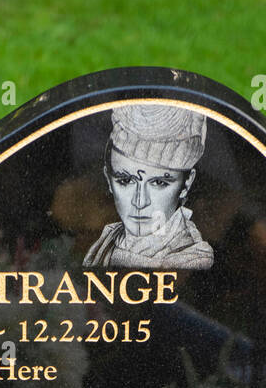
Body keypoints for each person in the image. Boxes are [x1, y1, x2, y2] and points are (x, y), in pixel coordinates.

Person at [84, 104, 214, 271]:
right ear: (109, 180)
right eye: (125, 180)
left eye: (159, 182)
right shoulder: (107, 241)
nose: (140, 201)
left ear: (187, 183)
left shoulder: (194, 261)